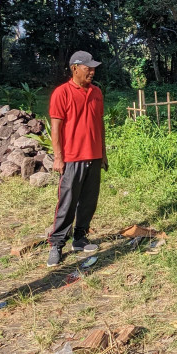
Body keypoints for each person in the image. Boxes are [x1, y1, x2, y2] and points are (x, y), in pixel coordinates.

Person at [47, 50, 108, 267]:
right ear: (75, 68)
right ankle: (57, 244)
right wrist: (58, 158)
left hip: (94, 155)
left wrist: (103, 153)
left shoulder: (96, 92)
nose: (92, 72)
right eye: (88, 68)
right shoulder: (62, 93)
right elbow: (56, 128)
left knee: (89, 201)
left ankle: (80, 238)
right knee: (67, 202)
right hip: (72, 158)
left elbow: (99, 124)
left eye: (93, 68)